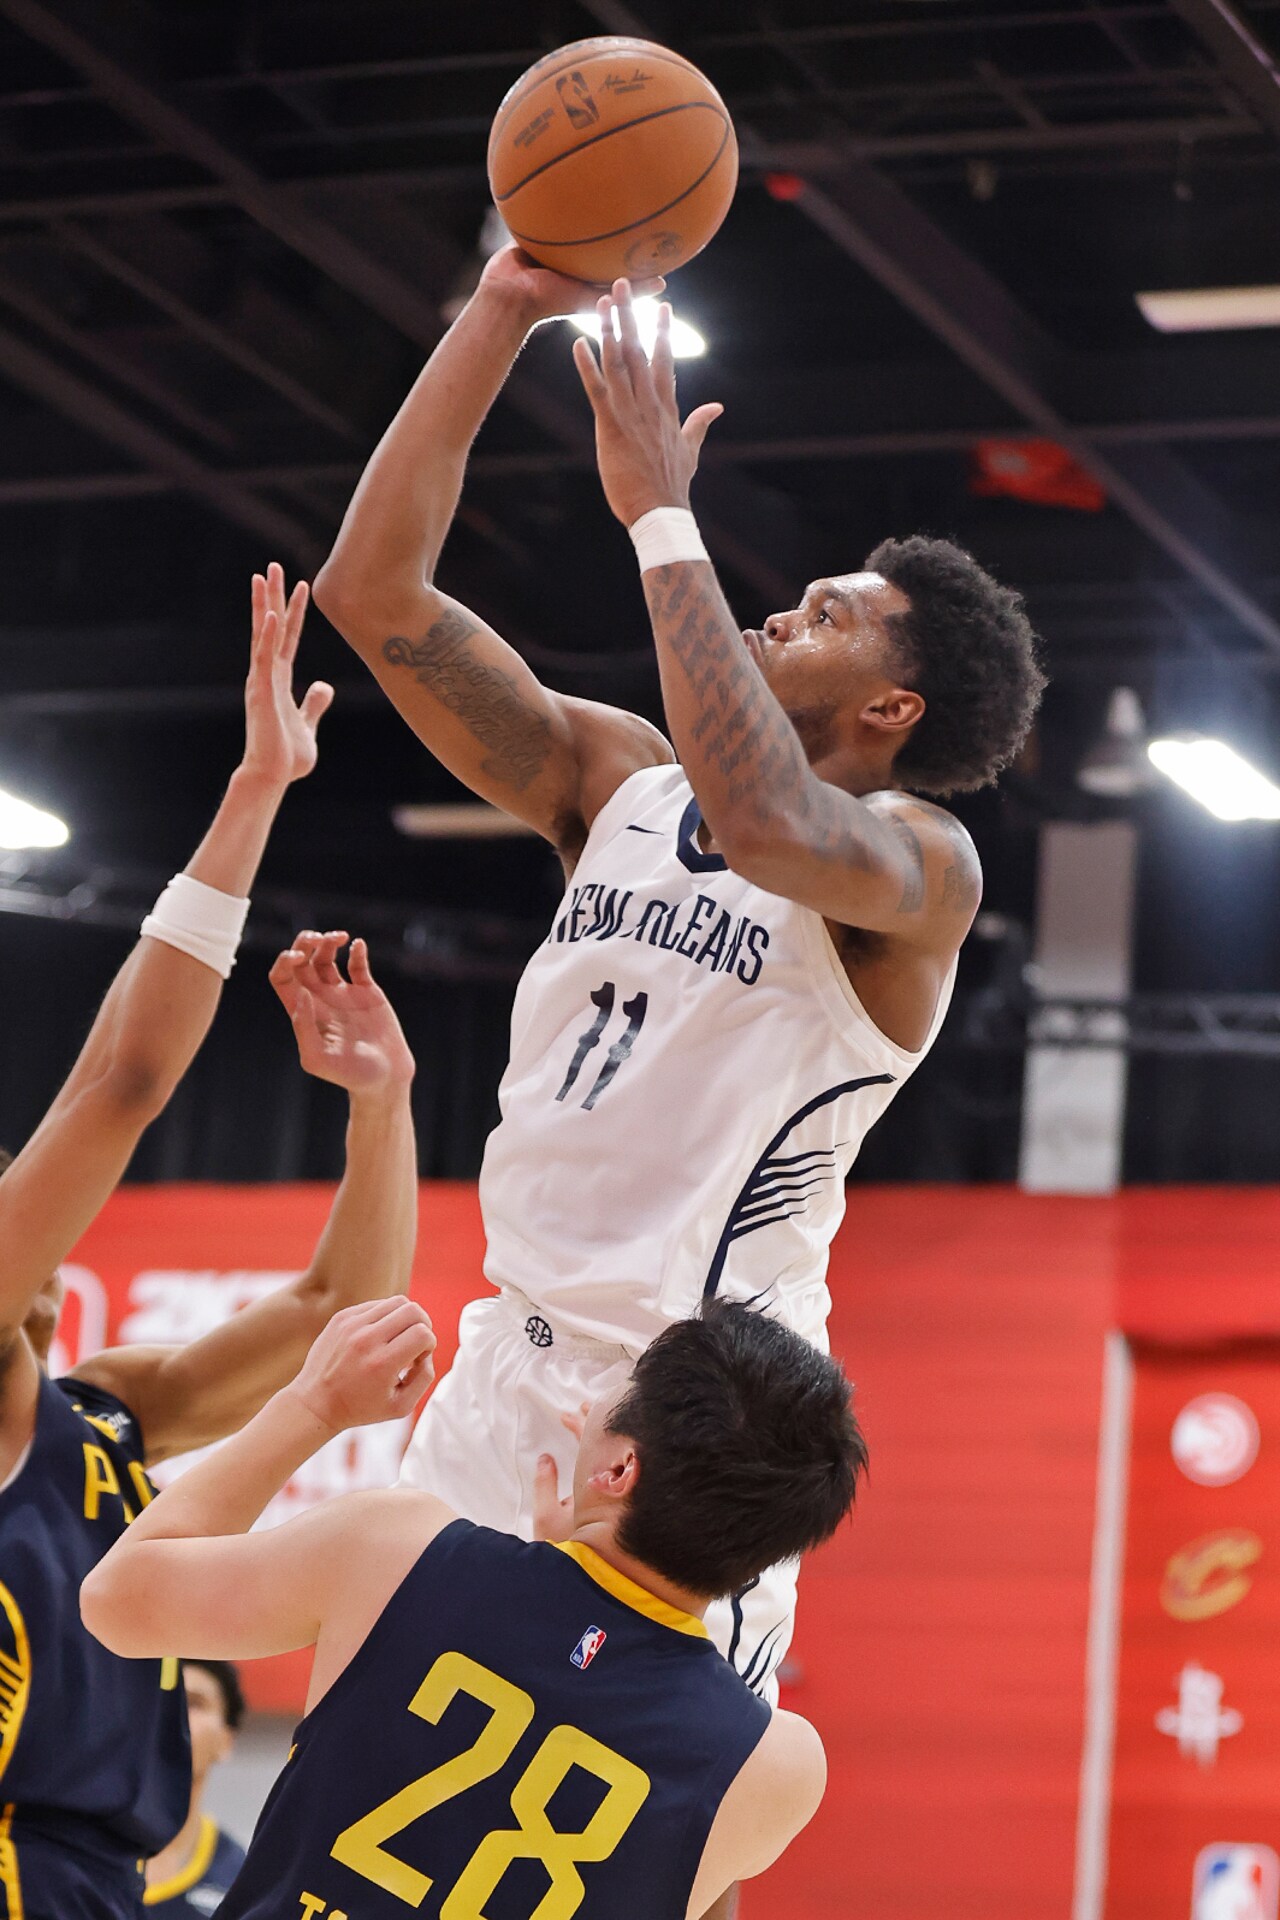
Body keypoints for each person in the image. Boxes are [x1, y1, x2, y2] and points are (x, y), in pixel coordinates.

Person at [311, 245, 1046, 1702]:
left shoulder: (919, 871)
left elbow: (773, 817)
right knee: (360, 1782)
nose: (786, 613)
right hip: (498, 1360)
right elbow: (374, 593)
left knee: (645, 1844)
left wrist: (660, 511)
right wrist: (503, 309)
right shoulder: (619, 787)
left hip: (699, 1412)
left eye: (830, 615)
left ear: (895, 708)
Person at [0, 565, 421, 1920]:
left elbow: (345, 1308)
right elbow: (118, 1086)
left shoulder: (106, 1410)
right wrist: (254, 792)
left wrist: (382, 1107)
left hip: (97, 1880)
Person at [82, 1292, 865, 1920]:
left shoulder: (397, 1547)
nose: (591, 1398)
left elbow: (119, 1600)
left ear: (620, 1467)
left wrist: (314, 1406)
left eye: (616, 1388)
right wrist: (575, 1572)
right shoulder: (777, 1766)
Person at [144, 1661, 247, 1915]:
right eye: (161, 1698)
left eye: (194, 1703)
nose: (173, 1716)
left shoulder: (241, 1879)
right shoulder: (70, 1847)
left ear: (226, 1741)